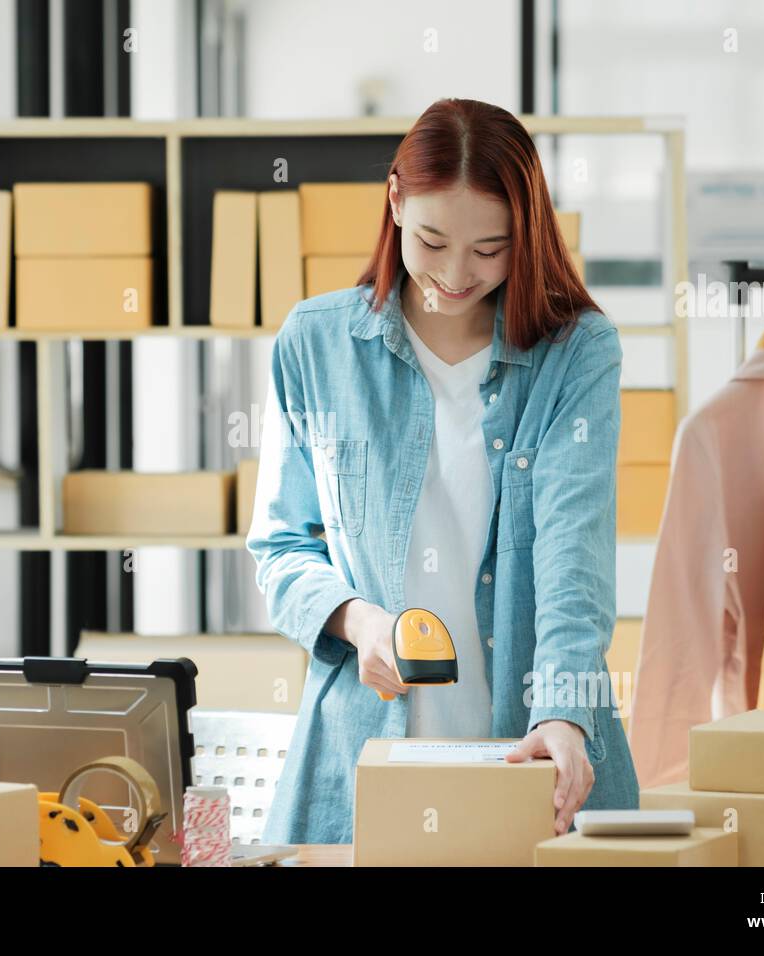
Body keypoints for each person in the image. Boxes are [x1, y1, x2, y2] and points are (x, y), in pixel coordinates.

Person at [246, 97, 639, 846]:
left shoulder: (576, 353)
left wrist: (561, 712)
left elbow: (573, 557)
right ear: (395, 202)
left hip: (534, 754)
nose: (457, 275)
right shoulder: (314, 345)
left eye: (491, 249)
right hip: (363, 760)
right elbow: (281, 549)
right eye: (433, 241)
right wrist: (359, 623)